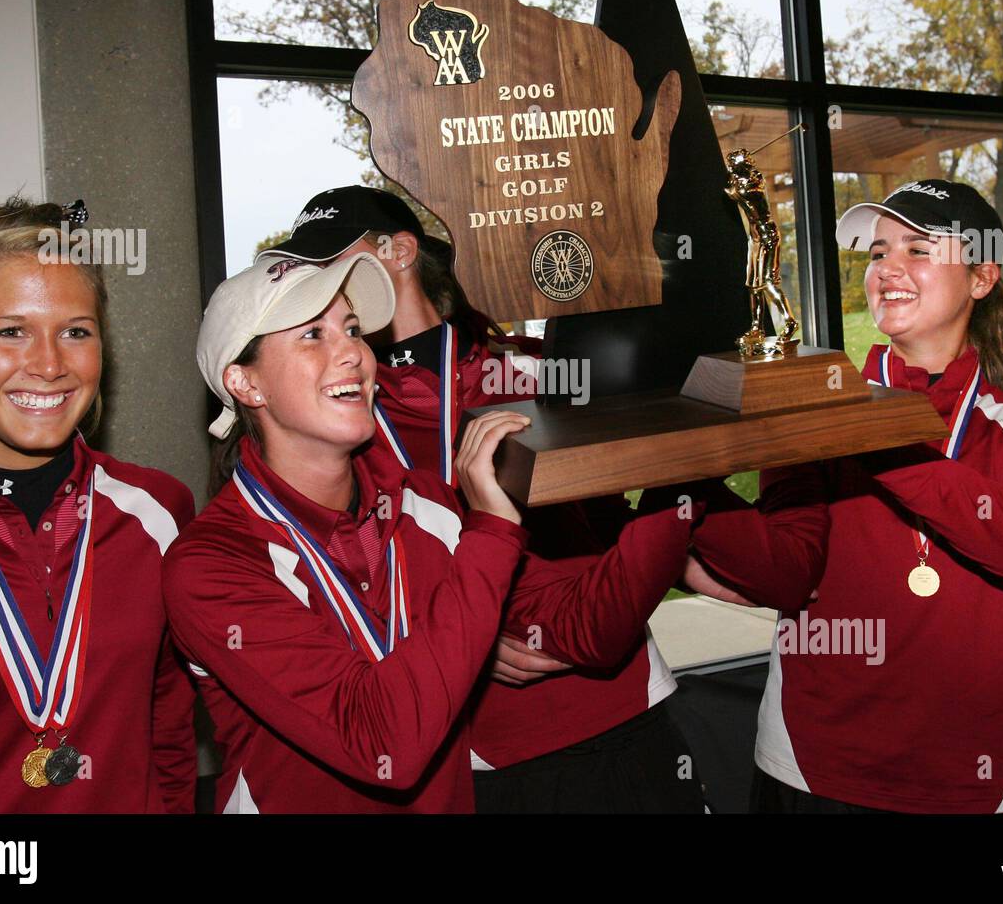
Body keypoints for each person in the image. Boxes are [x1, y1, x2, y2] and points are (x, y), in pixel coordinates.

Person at [252, 186, 829, 812]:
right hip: (474, 750)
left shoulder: (537, 375)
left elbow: (636, 523)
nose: (324, 283)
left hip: (620, 706)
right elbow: (336, 579)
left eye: (336, 259)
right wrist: (465, 628)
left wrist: (684, 539)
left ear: (400, 253)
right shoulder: (338, 421)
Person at [162, 249, 705, 813]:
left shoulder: (422, 504)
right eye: (312, 336)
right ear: (245, 384)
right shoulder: (210, 565)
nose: (352, 351)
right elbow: (380, 742)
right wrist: (492, 531)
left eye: (352, 329)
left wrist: (682, 464)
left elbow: (588, 630)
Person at [706, 179, 1003, 813]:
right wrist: (689, 485)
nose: (888, 269)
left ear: (982, 276)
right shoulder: (822, 410)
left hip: (985, 778)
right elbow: (783, 571)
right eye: (878, 252)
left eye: (918, 249)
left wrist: (867, 432)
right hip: (813, 763)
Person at [0, 198, 196, 812]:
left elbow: (169, 732)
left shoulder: (158, 514)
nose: (50, 364)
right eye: (11, 331)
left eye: (75, 332)